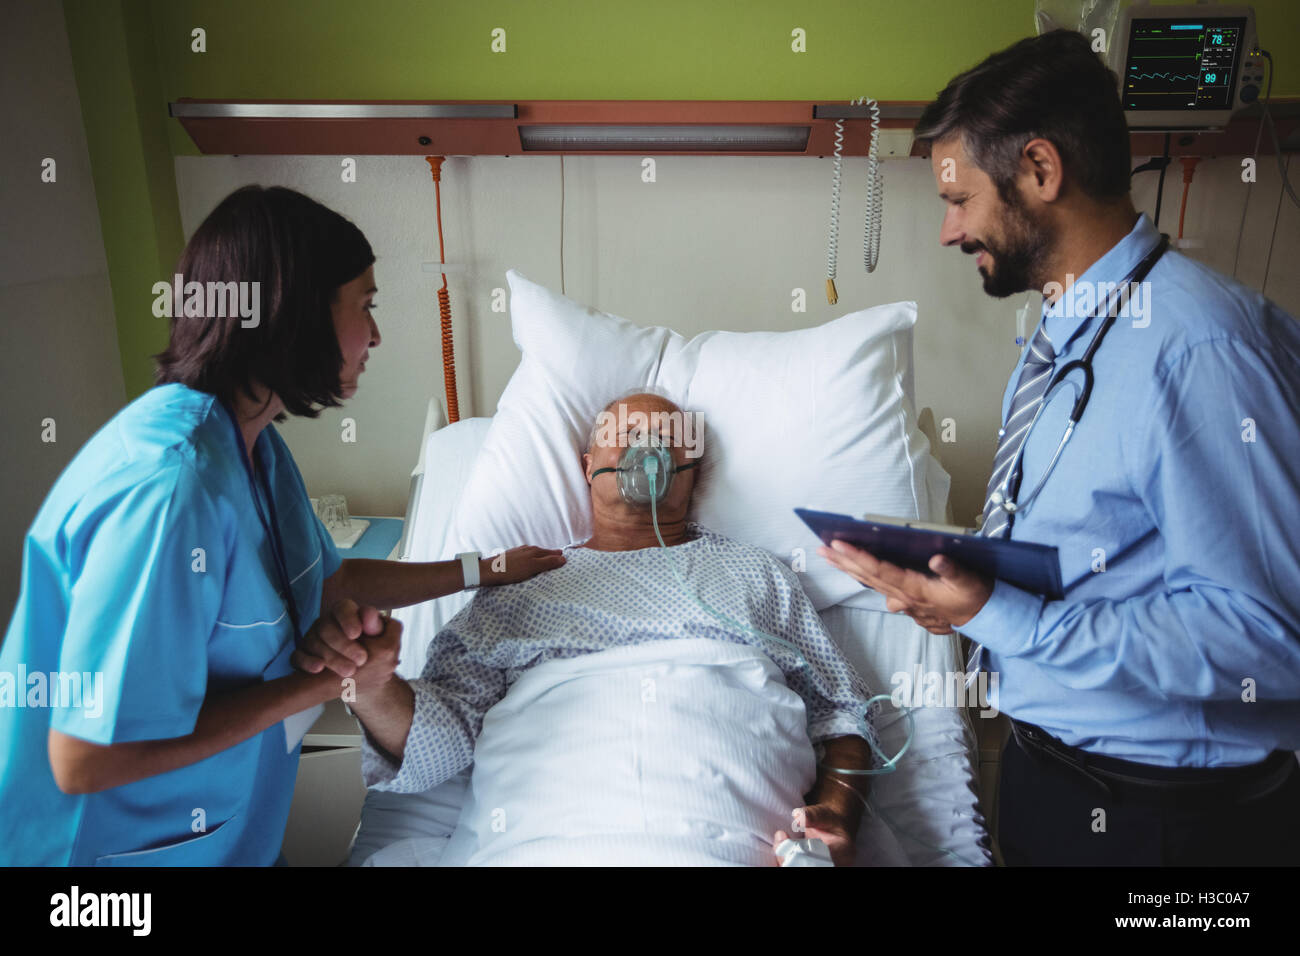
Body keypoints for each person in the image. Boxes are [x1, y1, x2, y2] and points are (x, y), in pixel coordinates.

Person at [820, 29, 1300, 865]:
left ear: (1041, 170)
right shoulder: (1066, 336)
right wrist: (962, 588)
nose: (948, 231)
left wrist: (1001, 616)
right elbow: (1093, 548)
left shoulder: (1202, 351)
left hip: (1169, 822)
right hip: (1050, 780)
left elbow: (1271, 635)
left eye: (960, 199)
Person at [0, 185, 562, 865]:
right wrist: (329, 684)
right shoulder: (169, 491)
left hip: (222, 832)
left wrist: (484, 569)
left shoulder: (253, 444)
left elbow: (328, 582)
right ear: (295, 313)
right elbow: (85, 758)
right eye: (365, 305)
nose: (375, 336)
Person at [314, 391, 878, 865]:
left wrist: (837, 816)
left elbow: (842, 711)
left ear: (693, 473)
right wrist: (373, 687)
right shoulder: (521, 584)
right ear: (588, 467)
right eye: (626, 432)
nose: (647, 444)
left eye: (668, 437)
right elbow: (438, 748)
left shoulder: (756, 574)